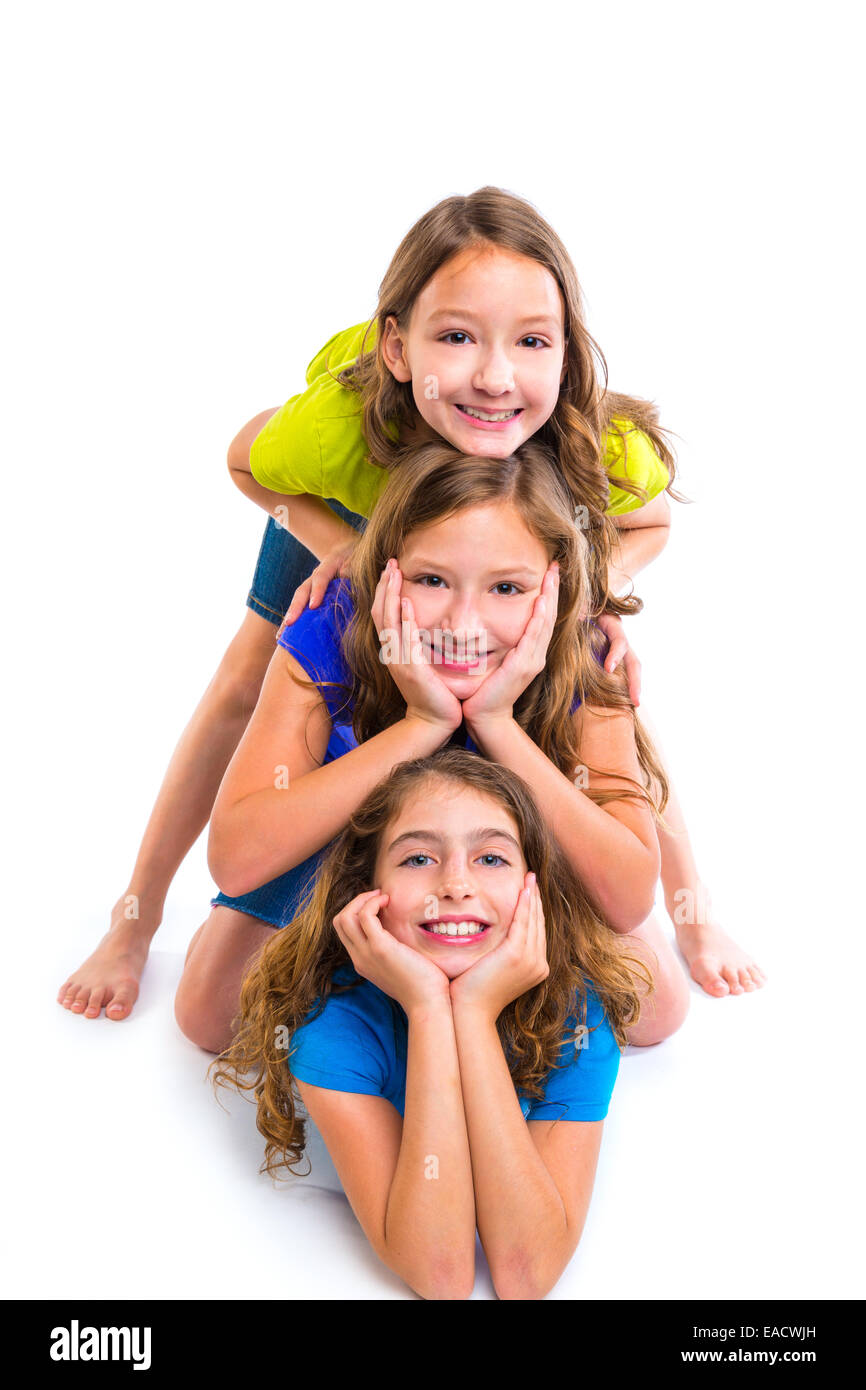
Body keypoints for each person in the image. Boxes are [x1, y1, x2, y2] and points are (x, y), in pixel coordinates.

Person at [58, 186, 761, 1024]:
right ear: (397, 348)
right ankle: (133, 917)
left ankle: (693, 912)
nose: (495, 377)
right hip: (346, 512)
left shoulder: (594, 441)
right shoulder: (340, 430)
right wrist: (341, 551)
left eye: (531, 342)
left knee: (600, 688)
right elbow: (247, 464)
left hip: (516, 540)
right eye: (458, 338)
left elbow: (649, 523)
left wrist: (583, 588)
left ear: (565, 353)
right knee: (250, 681)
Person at [176, 440, 690, 1054]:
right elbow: (234, 857)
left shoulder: (585, 653)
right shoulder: (329, 628)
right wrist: (420, 722)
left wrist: (497, 723)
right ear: (382, 570)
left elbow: (631, 898)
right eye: (429, 580)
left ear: (556, 588)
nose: (462, 625)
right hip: (348, 846)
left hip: (500, 859)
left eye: (507, 588)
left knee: (656, 1010)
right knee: (209, 1017)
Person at [211, 748, 653, 1301]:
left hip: (576, 941)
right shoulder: (333, 1023)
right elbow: (442, 1277)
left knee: (657, 991)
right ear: (366, 891)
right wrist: (428, 1008)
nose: (455, 885)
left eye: (491, 858)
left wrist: (471, 1011)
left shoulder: (578, 1013)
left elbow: (527, 1275)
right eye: (418, 859)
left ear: (532, 888)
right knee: (200, 1008)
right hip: (288, 916)